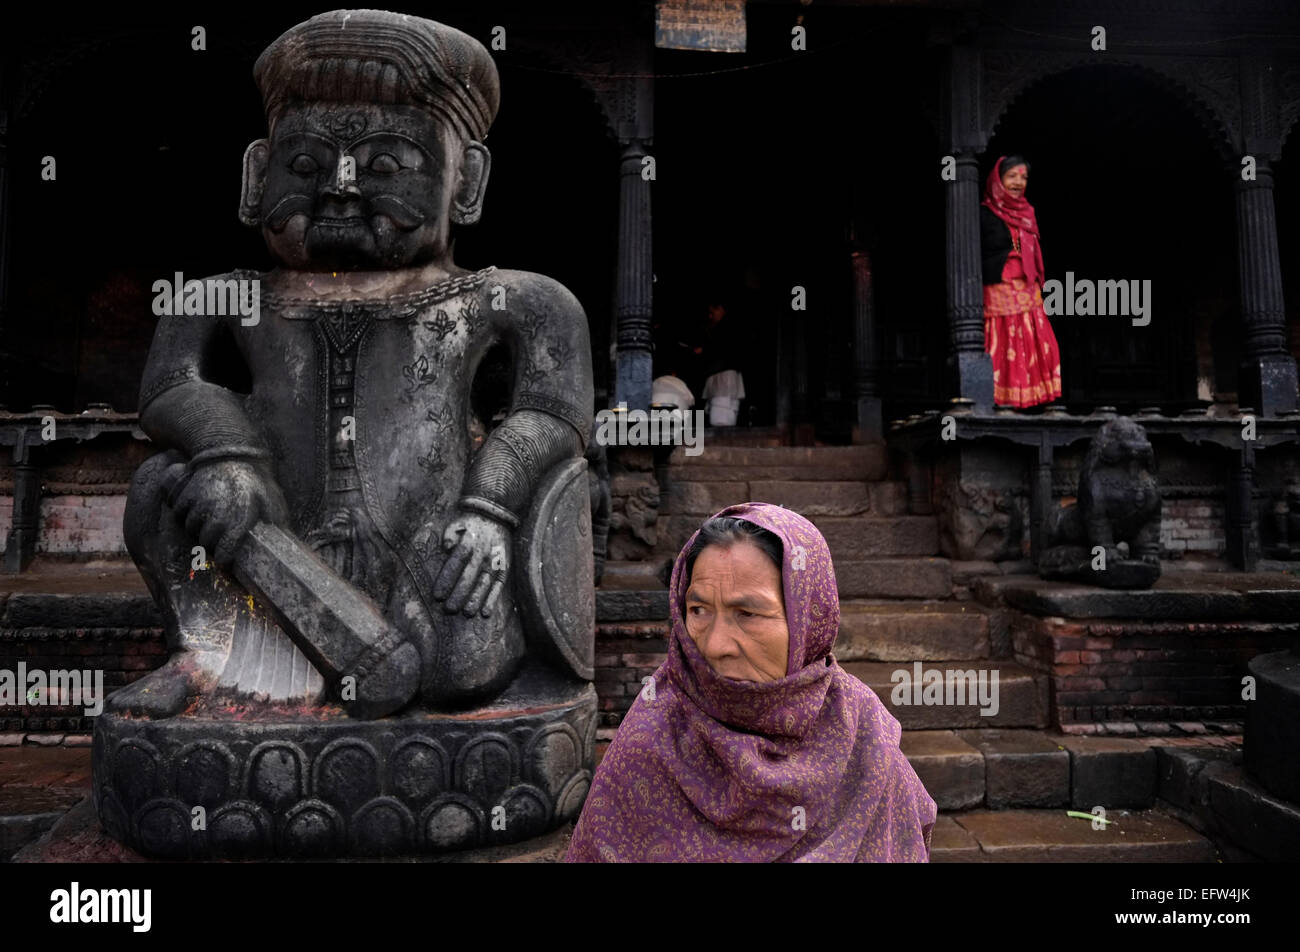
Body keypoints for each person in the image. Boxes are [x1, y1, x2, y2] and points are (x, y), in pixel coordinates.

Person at [564, 502, 937, 862]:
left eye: (747, 613)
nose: (714, 645)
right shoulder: (651, 740)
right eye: (698, 610)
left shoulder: (863, 733)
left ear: (810, 617)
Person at [980, 154, 1062, 408]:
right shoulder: (983, 214)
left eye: (1023, 177)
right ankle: (999, 401)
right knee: (1004, 342)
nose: (1018, 182)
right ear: (998, 179)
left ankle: (1029, 402)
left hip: (1028, 286)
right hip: (999, 287)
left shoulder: (1027, 213)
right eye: (1012, 176)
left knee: (1036, 340)